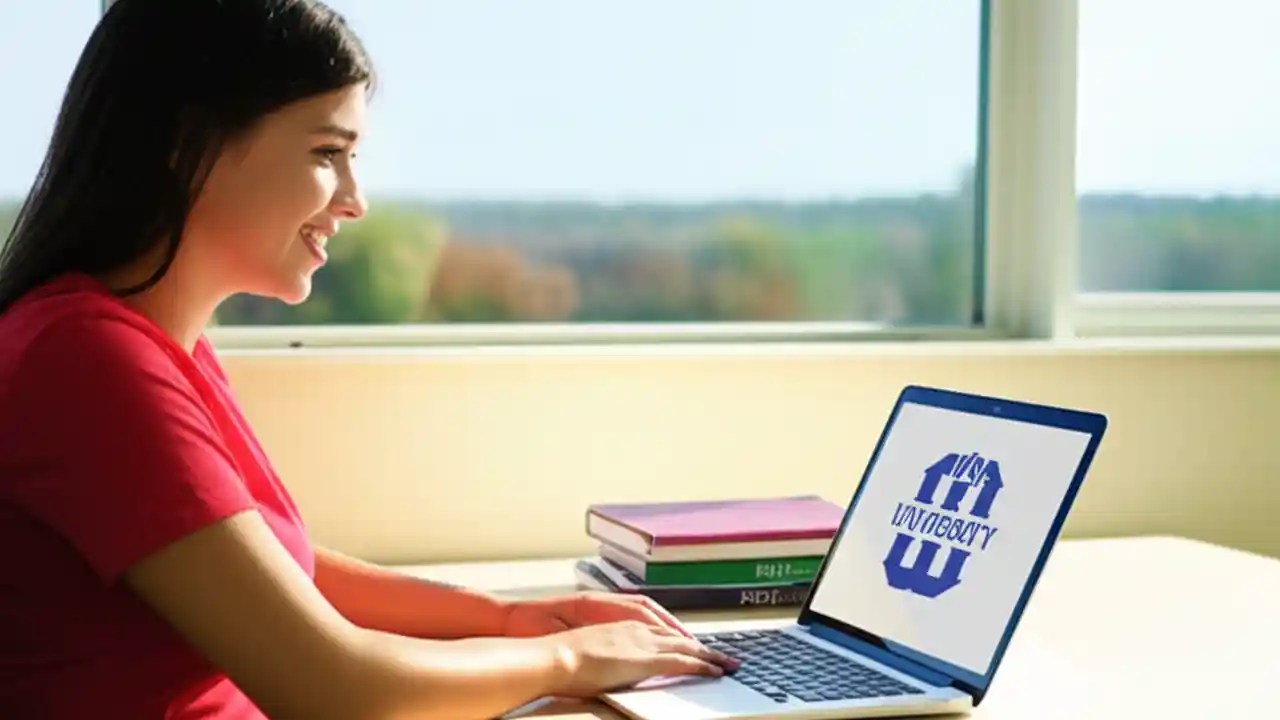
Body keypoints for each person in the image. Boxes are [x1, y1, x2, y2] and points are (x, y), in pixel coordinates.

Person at [0, 1, 737, 718]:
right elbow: (336, 691)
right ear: (188, 143)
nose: (356, 200)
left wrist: (509, 620)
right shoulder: (87, 359)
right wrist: (568, 659)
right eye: (328, 153)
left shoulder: (154, 343)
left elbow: (270, 571)